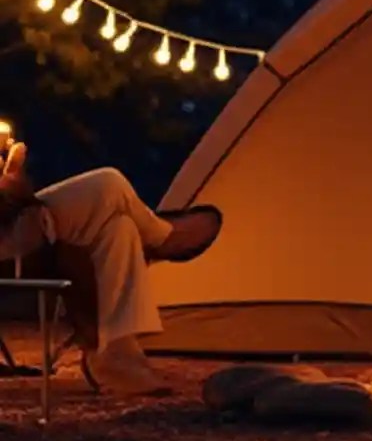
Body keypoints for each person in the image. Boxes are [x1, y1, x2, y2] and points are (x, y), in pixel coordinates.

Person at [0, 138, 222, 397]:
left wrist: (11, 183)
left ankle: (116, 354)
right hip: (15, 233)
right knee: (108, 183)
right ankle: (160, 238)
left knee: (120, 229)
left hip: (18, 226)